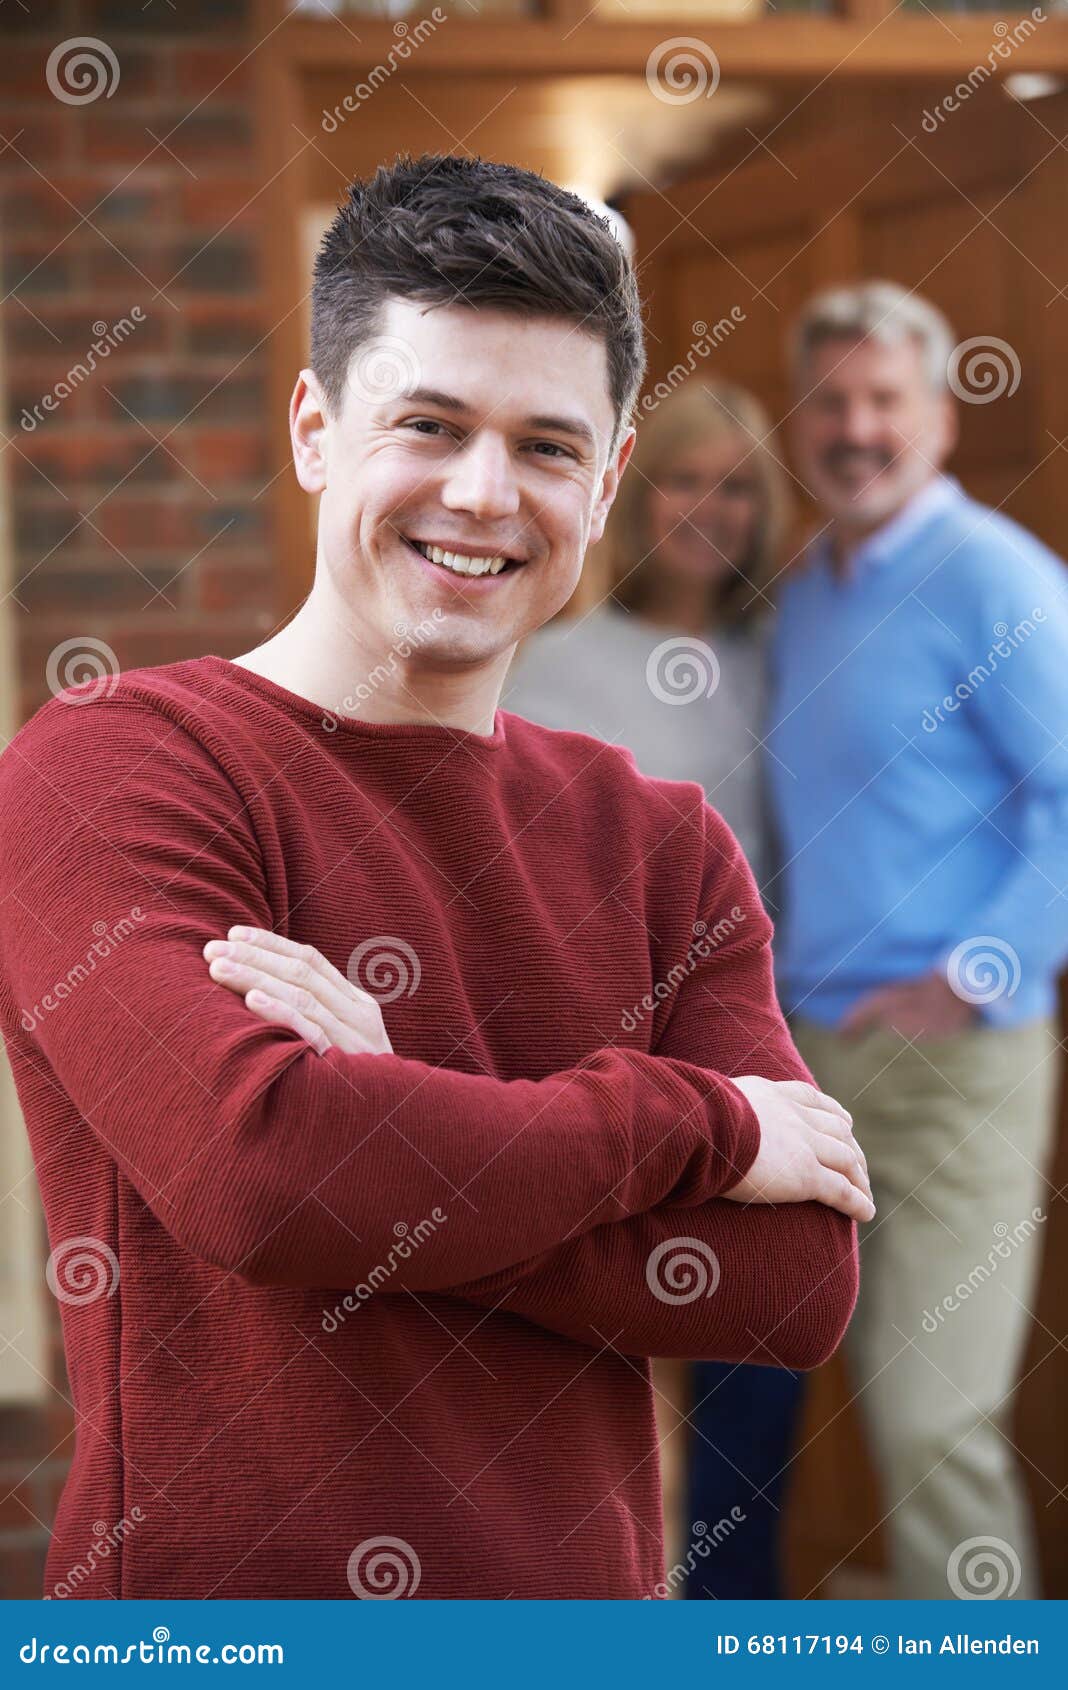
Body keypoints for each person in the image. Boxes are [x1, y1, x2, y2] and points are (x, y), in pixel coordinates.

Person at [0, 156, 870, 1602]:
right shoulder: (118, 768)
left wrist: (392, 1111)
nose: (482, 493)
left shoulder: (667, 846)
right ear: (314, 429)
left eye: (545, 444)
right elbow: (265, 1176)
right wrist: (701, 1124)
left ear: (605, 476)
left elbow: (790, 1287)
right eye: (429, 423)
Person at [767, 278, 1068, 1599]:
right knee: (825, 1387)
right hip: (815, 1053)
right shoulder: (808, 590)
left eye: (885, 398)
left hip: (956, 1064)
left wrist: (977, 972)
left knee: (932, 1413)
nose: (857, 427)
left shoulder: (994, 573)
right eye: (831, 400)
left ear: (940, 416)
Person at [505, 378, 804, 1599]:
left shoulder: (784, 662)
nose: (709, 509)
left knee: (759, 1363)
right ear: (634, 497)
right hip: (590, 1066)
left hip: (761, 1058)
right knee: (567, 1371)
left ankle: (730, 1625)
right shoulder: (548, 664)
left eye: (737, 486)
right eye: (685, 478)